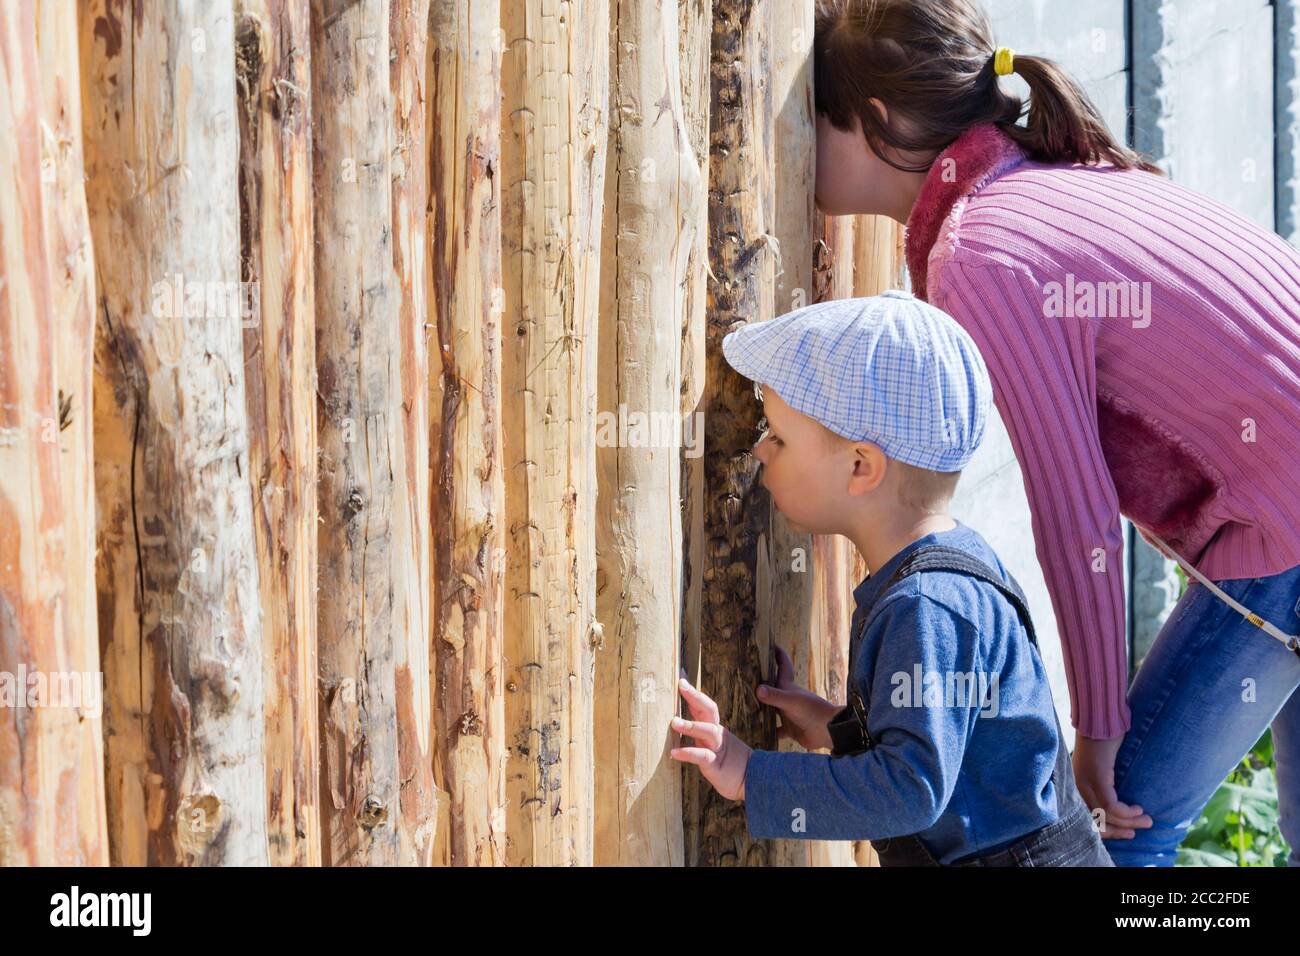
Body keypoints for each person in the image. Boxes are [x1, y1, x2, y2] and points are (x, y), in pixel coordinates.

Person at [808, 0, 1300, 866]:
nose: (803, 143)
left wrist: (1099, 725)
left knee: (1122, 826)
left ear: (876, 123)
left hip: (1284, 518)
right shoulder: (1050, 182)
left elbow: (1078, 518)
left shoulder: (983, 253)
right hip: (1282, 499)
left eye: (817, 118)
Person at [669, 293, 1112, 866]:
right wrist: (839, 729)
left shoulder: (926, 605)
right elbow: (957, 747)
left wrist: (750, 774)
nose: (758, 449)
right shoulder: (953, 568)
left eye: (777, 435)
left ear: (860, 466)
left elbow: (912, 790)